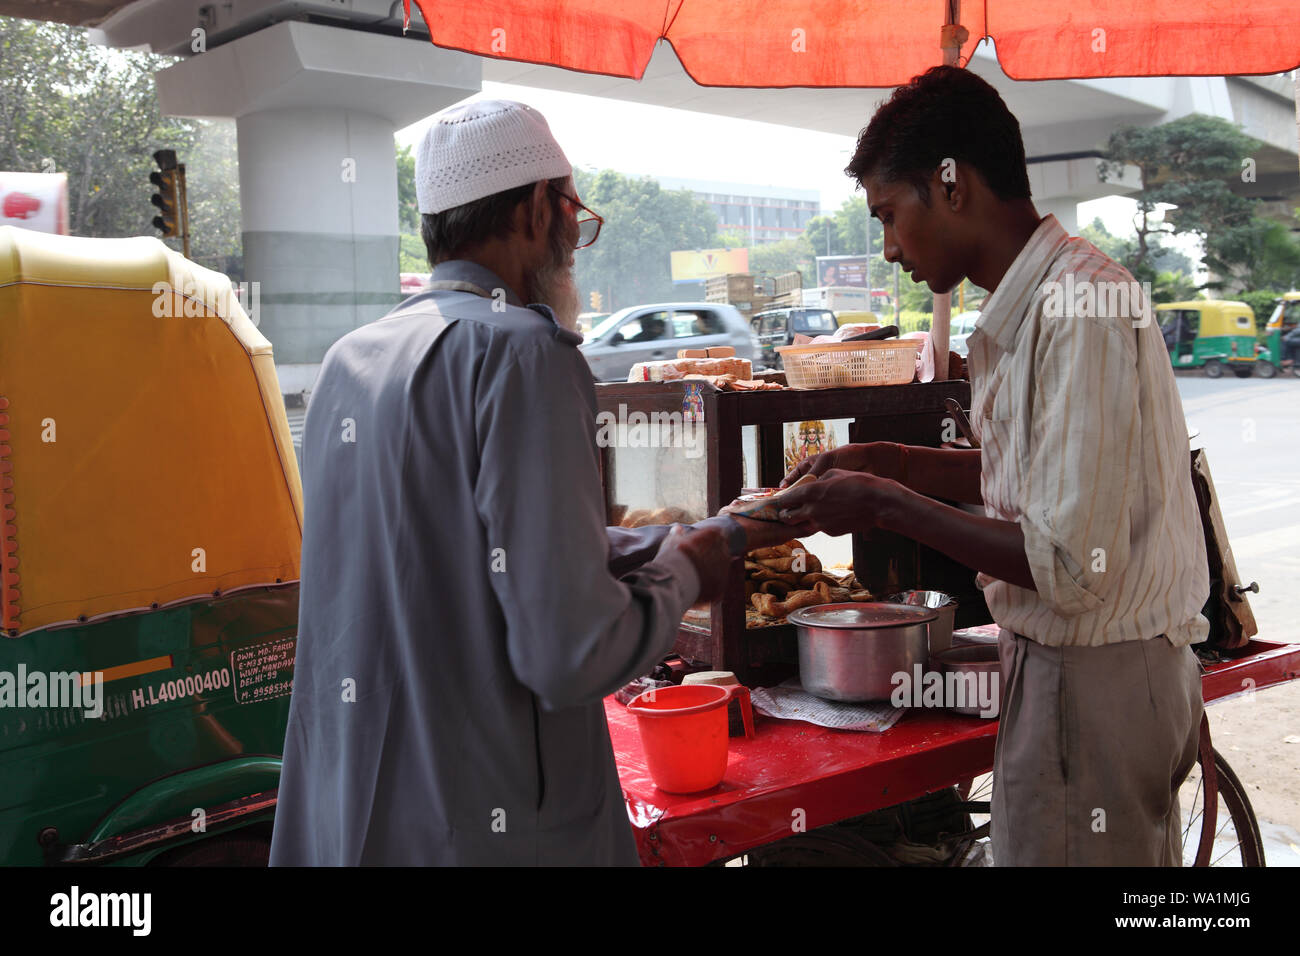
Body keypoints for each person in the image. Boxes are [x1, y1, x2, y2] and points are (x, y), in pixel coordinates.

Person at [269, 99, 787, 866]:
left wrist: (662, 539)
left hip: (357, 809)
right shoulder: (522, 353)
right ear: (538, 209)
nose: (576, 237)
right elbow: (569, 653)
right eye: (574, 210)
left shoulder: (353, 360)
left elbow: (445, 556)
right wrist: (687, 571)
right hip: (486, 821)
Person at [776, 67, 1208, 866]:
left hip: (1098, 679)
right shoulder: (1027, 307)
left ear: (952, 186)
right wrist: (891, 461)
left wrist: (883, 503)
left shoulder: (1079, 310)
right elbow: (1032, 478)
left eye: (890, 216)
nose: (890, 247)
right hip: (1063, 669)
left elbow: (1069, 563)